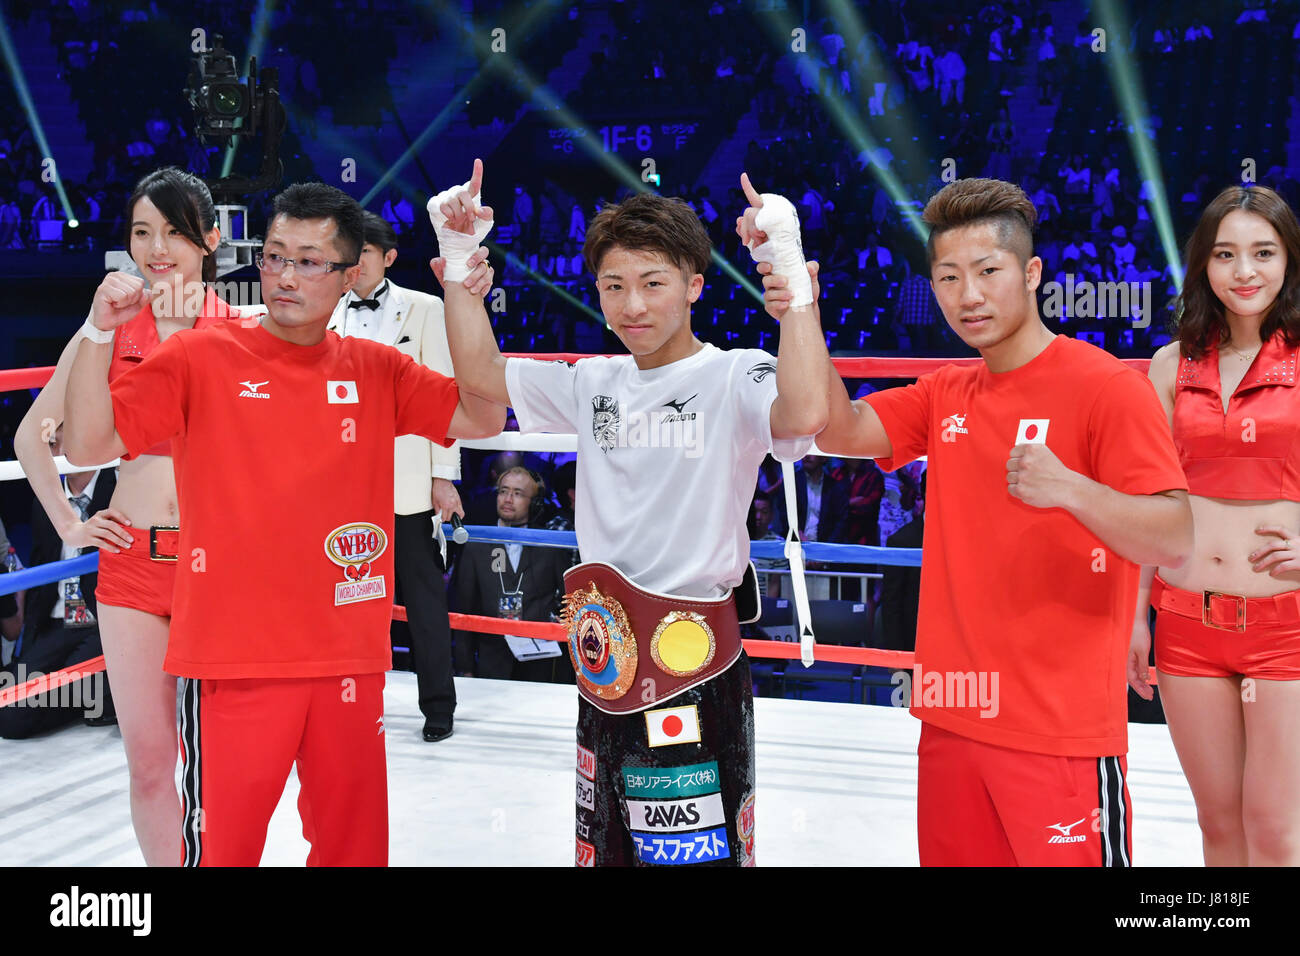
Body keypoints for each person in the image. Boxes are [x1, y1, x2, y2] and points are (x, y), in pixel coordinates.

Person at [62, 182, 504, 867]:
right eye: (273, 257)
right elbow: (88, 445)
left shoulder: (376, 368)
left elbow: (483, 415)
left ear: (351, 273)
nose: (285, 277)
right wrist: (97, 332)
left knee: (354, 854)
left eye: (308, 261)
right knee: (223, 854)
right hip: (233, 666)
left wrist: (461, 274)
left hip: (348, 661)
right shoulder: (201, 357)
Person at [760, 177, 1192, 866]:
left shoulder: (1109, 386)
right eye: (949, 277)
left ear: (1031, 273)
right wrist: (799, 304)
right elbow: (829, 426)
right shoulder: (947, 392)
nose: (969, 295)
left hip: (1061, 737)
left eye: (988, 272)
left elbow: (1176, 535)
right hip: (951, 724)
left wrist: (1073, 490)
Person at [431, 161, 826, 867]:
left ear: (694, 286)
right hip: (602, 661)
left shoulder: (737, 372)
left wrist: (792, 280)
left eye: (652, 283)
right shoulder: (595, 380)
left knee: (691, 854)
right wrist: (460, 264)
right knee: (603, 845)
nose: (631, 306)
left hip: (694, 660)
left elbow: (803, 413)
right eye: (614, 286)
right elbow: (485, 380)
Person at [14, 167, 251, 865]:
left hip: (223, 569)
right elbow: (33, 434)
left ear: (211, 238)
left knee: (229, 764)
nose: (157, 248)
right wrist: (67, 523)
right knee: (150, 763)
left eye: (175, 231)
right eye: (142, 231)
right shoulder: (110, 330)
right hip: (134, 566)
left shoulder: (243, 329)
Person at [1130, 185, 1300, 866]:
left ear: (1289, 260)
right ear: (1203, 263)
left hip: (1285, 627)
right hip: (1186, 626)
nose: (1245, 271)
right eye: (1225, 254)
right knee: (1220, 828)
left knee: (1276, 831)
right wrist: (1133, 618)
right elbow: (1147, 497)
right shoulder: (1171, 365)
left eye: (1263, 252)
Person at [328, 211, 463, 743]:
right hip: (337, 483)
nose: (354, 262)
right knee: (345, 601)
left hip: (406, 481)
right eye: (348, 250)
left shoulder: (426, 309)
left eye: (365, 252)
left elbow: (445, 395)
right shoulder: (322, 309)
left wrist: (442, 476)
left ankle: (439, 709)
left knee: (425, 601)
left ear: (387, 257)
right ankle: (352, 706)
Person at [0, 434, 116, 738]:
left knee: (82, 682)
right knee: (10, 717)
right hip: (57, 622)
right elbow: (41, 571)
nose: (54, 452)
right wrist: (28, 642)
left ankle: (100, 697)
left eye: (58, 441)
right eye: (49, 443)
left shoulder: (121, 489)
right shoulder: (46, 501)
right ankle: (96, 699)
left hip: (105, 622)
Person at [452, 466, 573, 682]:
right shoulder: (477, 545)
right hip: (492, 661)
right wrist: (465, 668)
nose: (508, 499)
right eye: (503, 491)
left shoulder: (549, 544)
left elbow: (569, 602)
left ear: (535, 503)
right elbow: (463, 608)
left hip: (541, 662)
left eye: (518, 494)